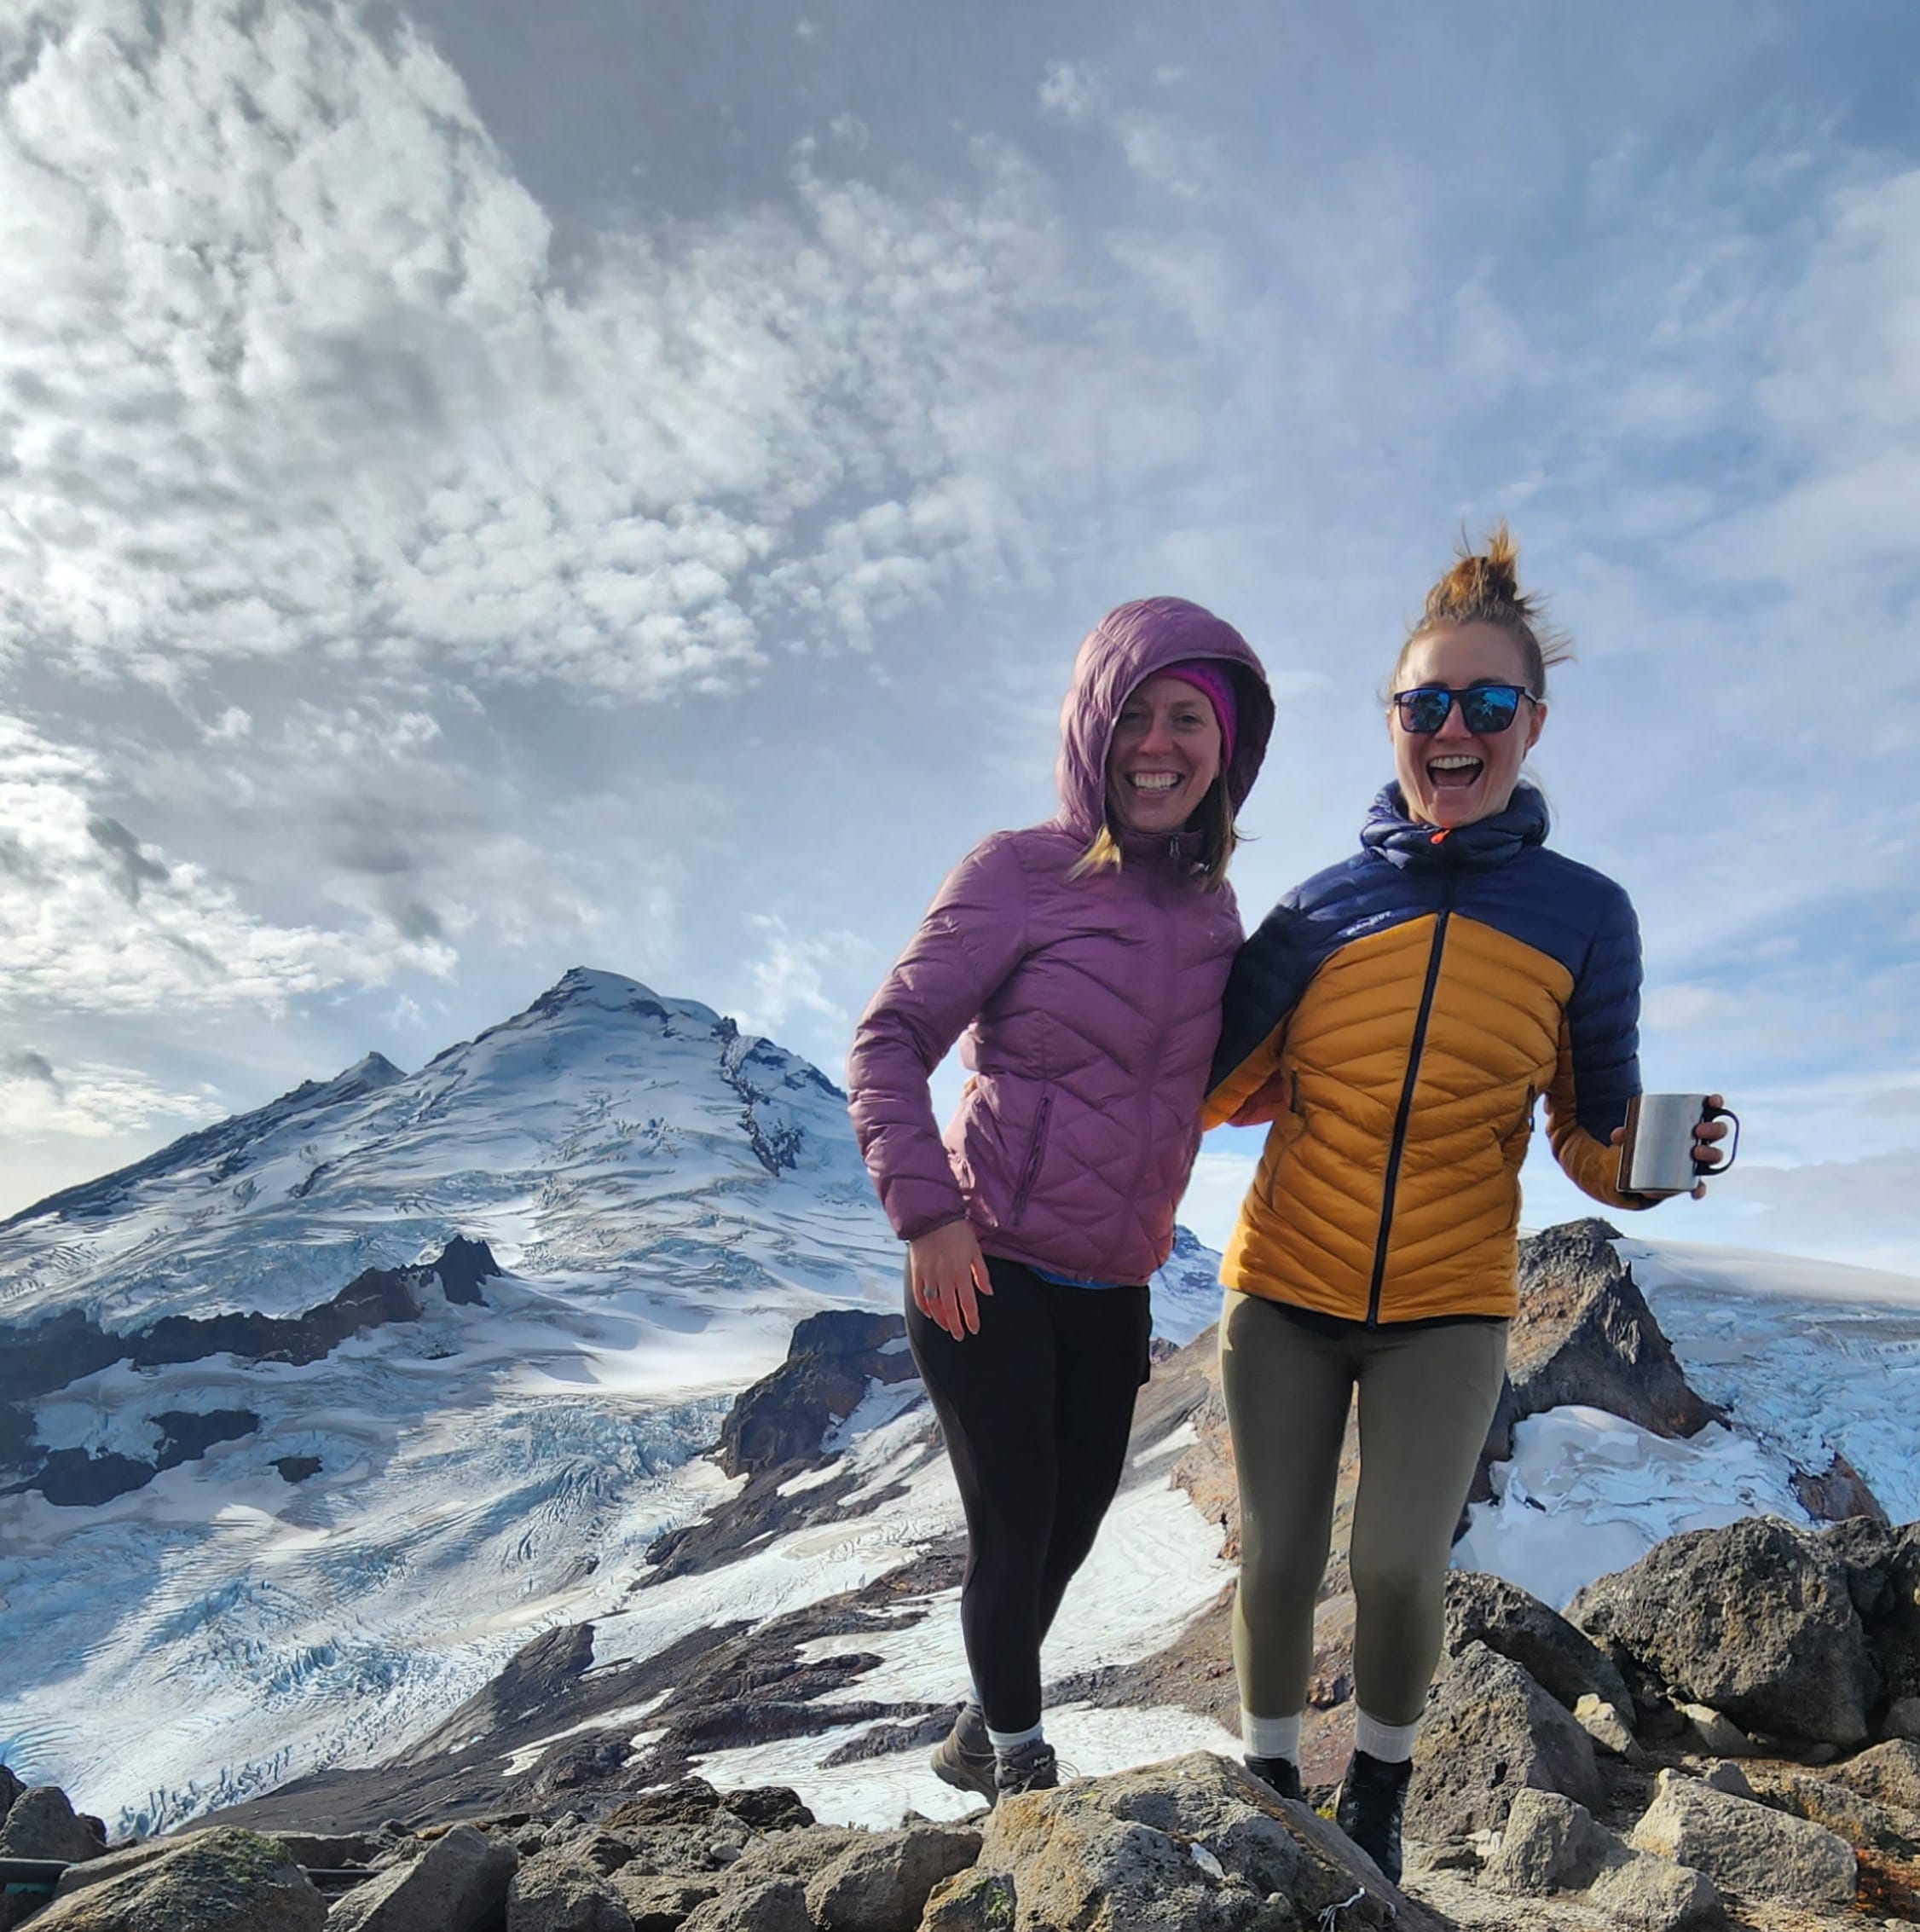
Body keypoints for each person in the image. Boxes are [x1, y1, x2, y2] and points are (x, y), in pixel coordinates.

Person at [1205, 528, 1727, 1881]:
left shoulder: (1585, 916)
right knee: (1273, 1561)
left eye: (1487, 705)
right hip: (1285, 1289)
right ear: (1393, 721)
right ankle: (1270, 1786)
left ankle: (1377, 1790)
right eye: (1426, 702)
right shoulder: (1318, 910)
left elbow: (1589, 1128)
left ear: (1532, 725)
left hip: (1446, 1301)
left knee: (1392, 1567)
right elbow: (1205, 1085)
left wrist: (1656, 1162)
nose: (1454, 727)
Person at [847, 599, 1272, 1801]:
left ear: (1224, 748)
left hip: (1116, 1275)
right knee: (1017, 1518)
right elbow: (889, 1038)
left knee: (1077, 1521)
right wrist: (927, 1212)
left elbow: (1202, 1079)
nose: (1158, 740)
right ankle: (1023, 1774)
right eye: (1132, 711)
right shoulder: (1017, 873)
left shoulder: (1212, 912)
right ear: (1092, 726)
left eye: (1187, 716)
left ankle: (977, 1723)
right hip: (989, 1261)